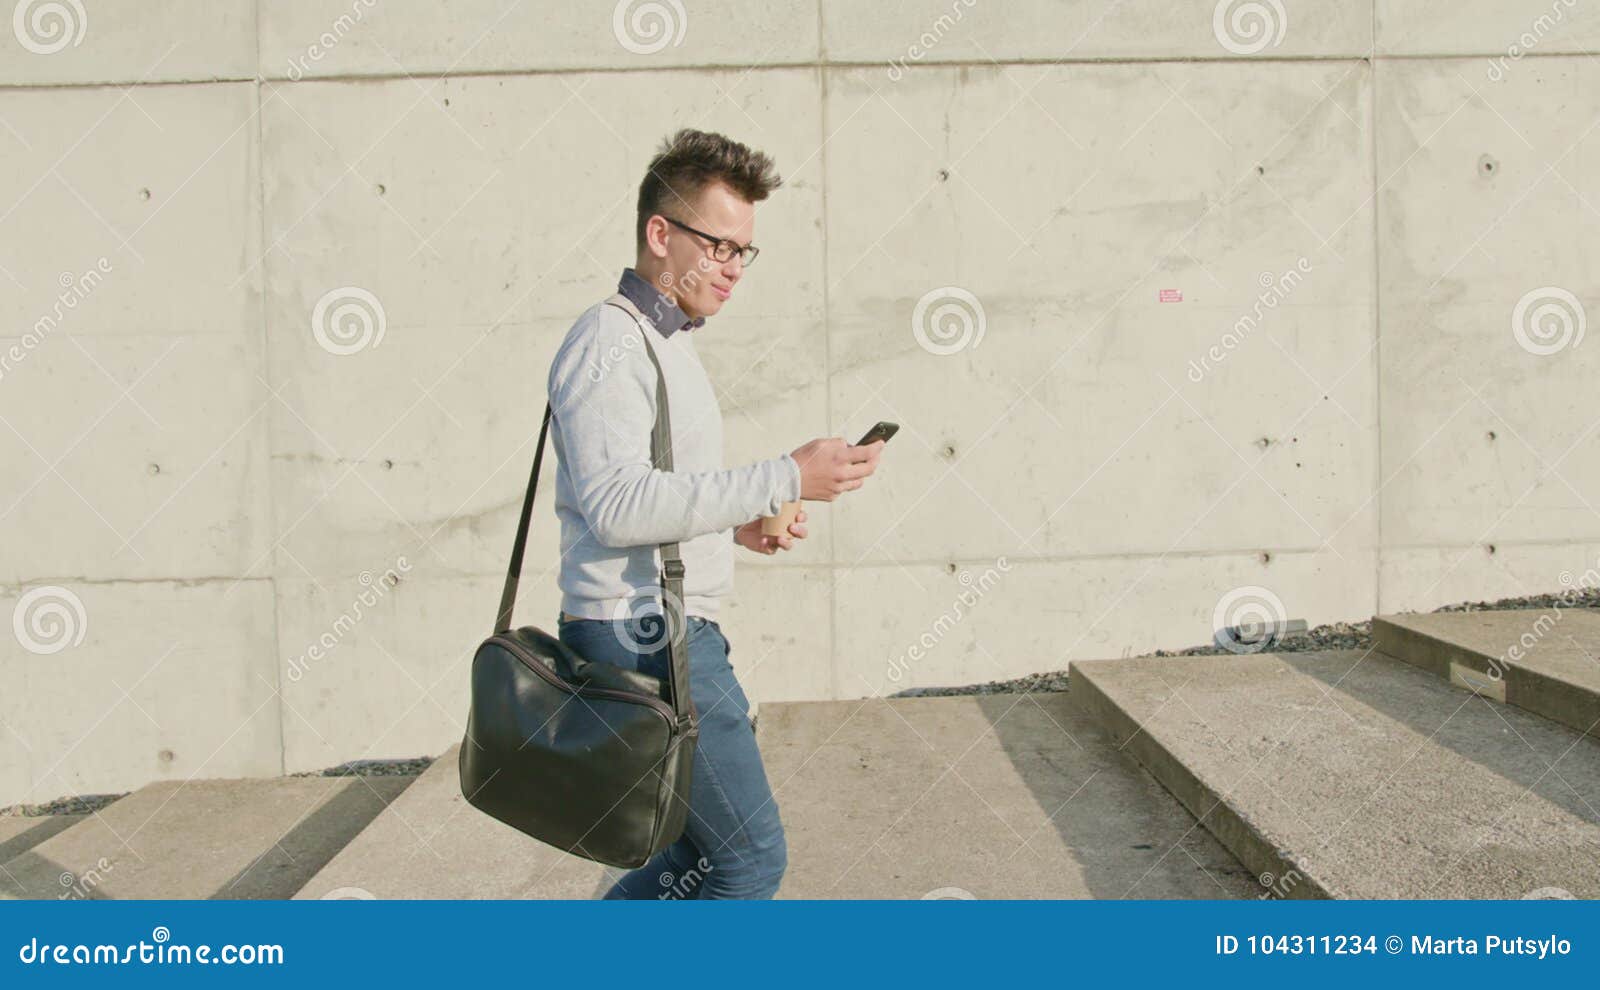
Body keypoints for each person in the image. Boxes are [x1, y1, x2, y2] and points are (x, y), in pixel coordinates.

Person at [545, 128, 884, 899]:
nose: (733, 269)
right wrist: (783, 476)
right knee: (745, 861)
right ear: (659, 234)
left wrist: (736, 526)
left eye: (744, 252)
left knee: (690, 860)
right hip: (646, 634)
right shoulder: (610, 341)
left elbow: (650, 493)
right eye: (719, 246)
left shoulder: (668, 343)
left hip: (666, 626)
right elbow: (615, 508)